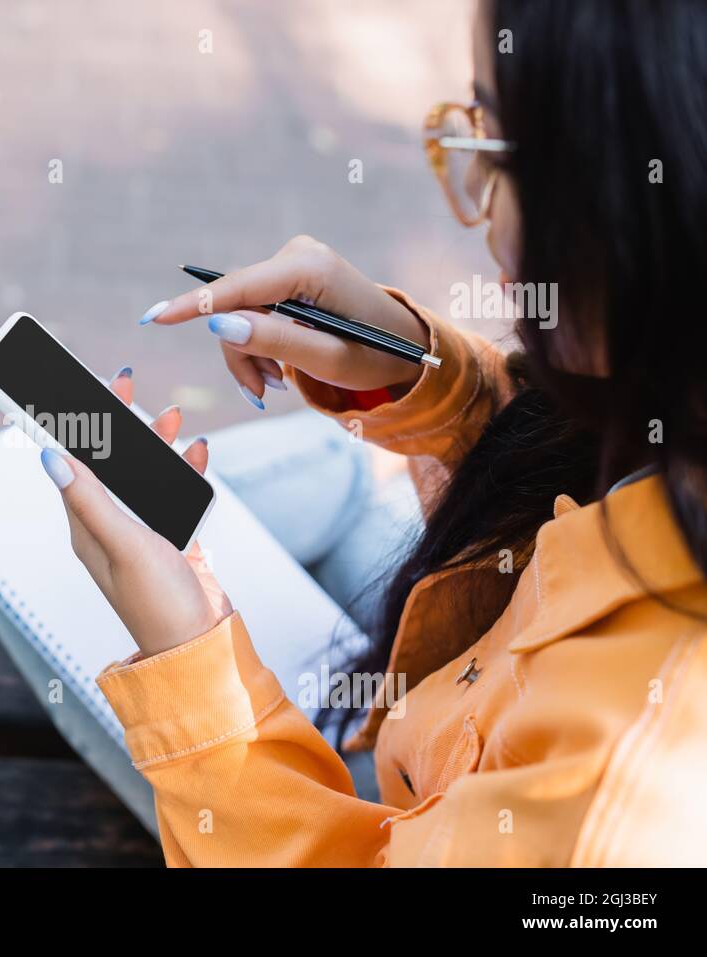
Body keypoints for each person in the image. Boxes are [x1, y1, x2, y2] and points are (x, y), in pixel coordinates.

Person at [38, 0, 707, 865]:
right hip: (426, 720)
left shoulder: (619, 800)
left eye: (503, 155)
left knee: (33, 613)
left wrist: (190, 677)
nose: (486, 215)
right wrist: (422, 374)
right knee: (336, 473)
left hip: (399, 793)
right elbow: (592, 457)